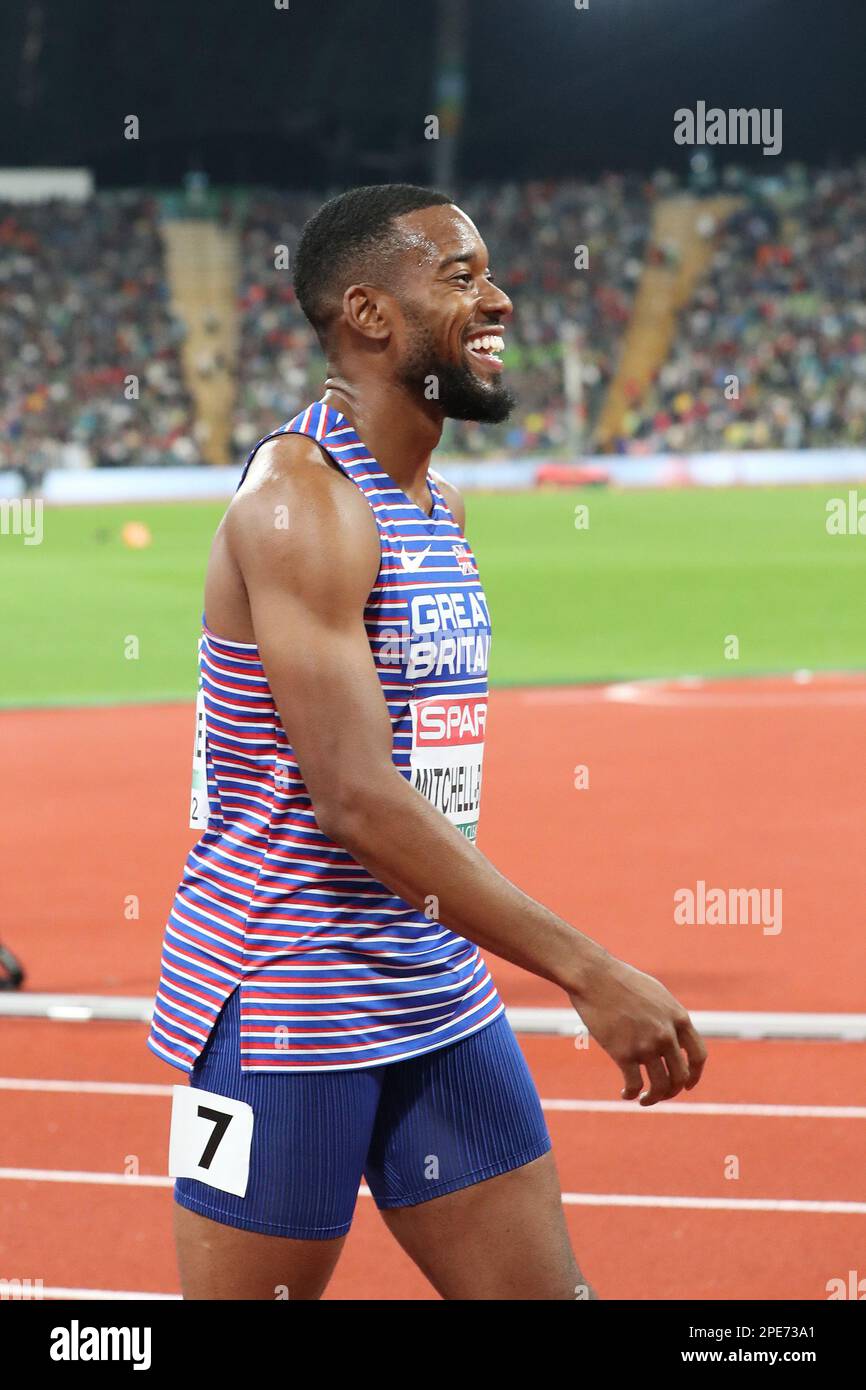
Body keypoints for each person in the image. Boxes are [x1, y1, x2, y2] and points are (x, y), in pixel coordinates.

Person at [147, 184, 707, 1301]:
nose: (496, 297)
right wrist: (586, 970)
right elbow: (354, 797)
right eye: (458, 276)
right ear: (366, 312)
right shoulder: (302, 503)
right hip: (286, 995)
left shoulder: (433, 509)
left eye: (487, 272)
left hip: (429, 979)